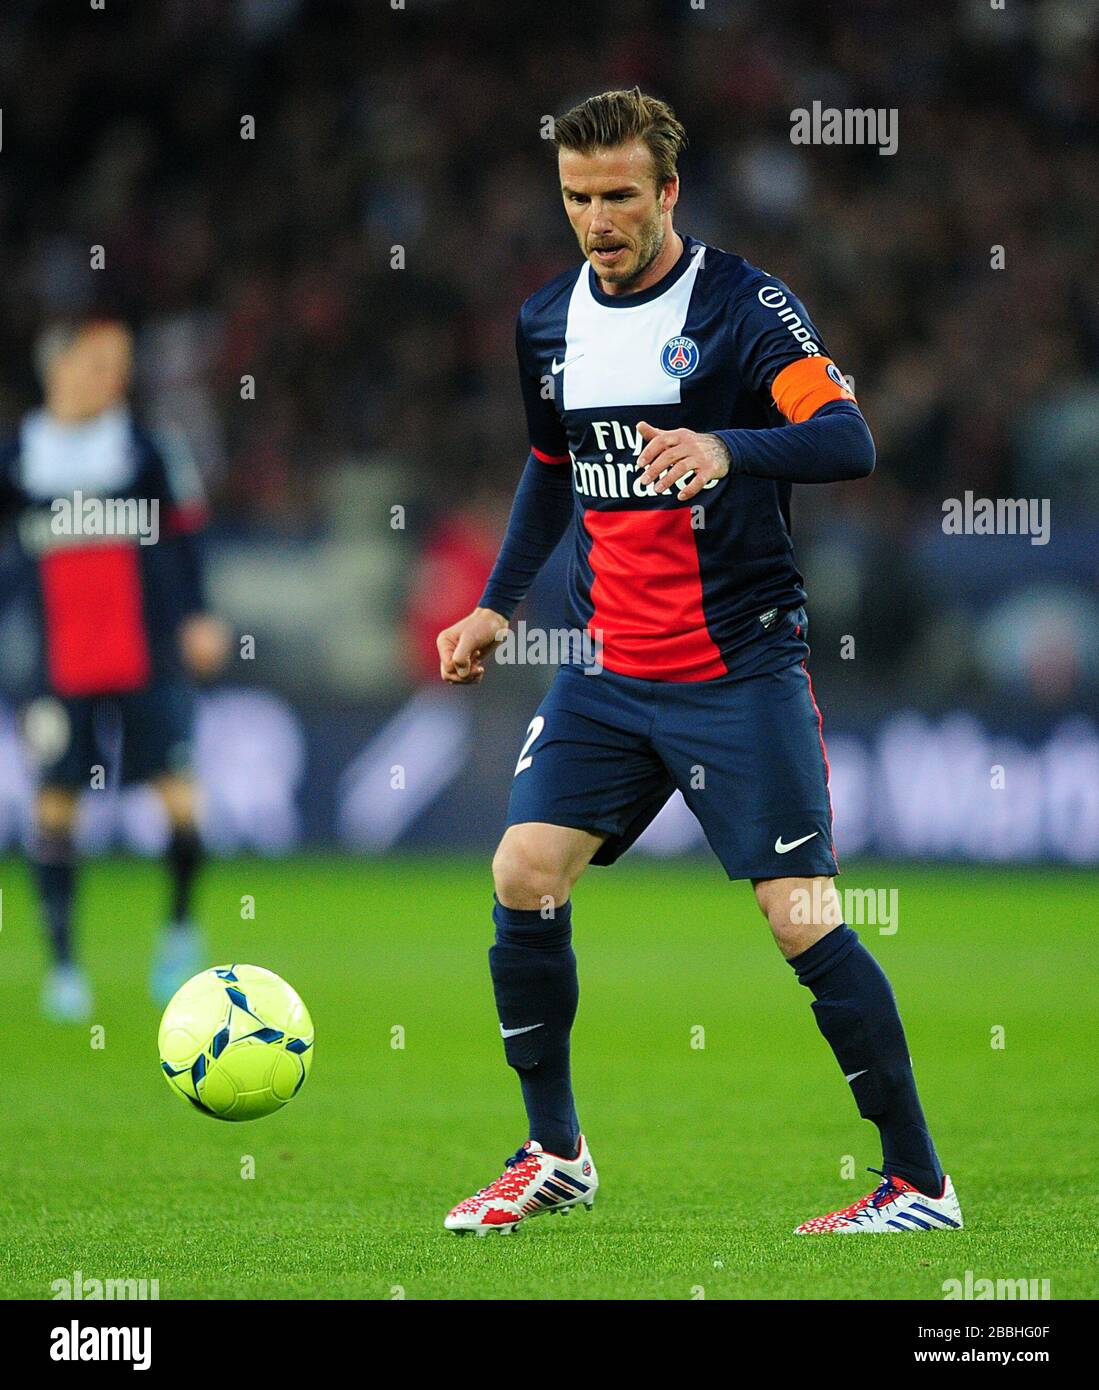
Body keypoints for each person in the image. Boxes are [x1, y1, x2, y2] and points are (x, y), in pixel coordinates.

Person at [436, 89, 961, 1237]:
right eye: (577, 198)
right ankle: (554, 1150)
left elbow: (846, 440)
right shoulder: (545, 322)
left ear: (667, 191)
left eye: (619, 195)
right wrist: (493, 605)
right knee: (522, 870)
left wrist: (727, 445)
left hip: (736, 668)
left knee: (798, 914)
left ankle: (919, 1182)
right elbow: (548, 464)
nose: (597, 219)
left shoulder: (742, 307)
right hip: (608, 671)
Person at [0, 317, 230, 1020]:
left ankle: (179, 931)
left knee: (181, 801)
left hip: (148, 652)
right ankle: (64, 968)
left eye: (121, 365)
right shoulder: (18, 460)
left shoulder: (146, 450)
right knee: (55, 806)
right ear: (59, 368)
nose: (114, 379)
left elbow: (187, 535)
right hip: (59, 659)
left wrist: (198, 614)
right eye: (101, 364)